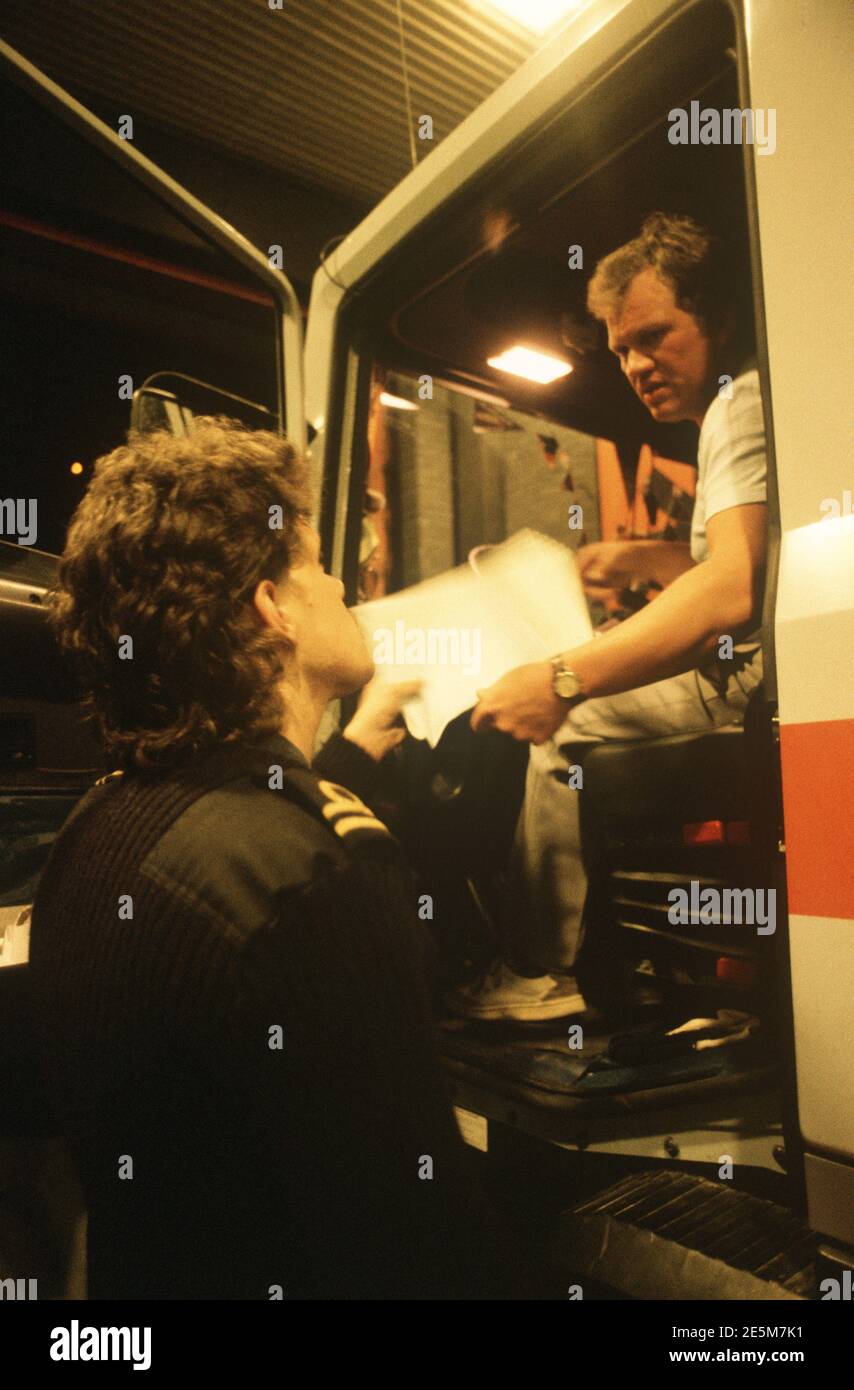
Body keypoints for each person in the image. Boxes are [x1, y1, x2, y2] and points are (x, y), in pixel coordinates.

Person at [28, 419, 521, 1299]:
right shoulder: (320, 879)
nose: (341, 584)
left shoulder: (94, 830)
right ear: (272, 609)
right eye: (320, 562)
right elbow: (421, 1240)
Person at [452, 213, 767, 1022]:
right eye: (622, 347)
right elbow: (747, 564)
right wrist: (633, 559)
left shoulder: (740, 406)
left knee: (558, 730)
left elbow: (731, 596)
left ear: (719, 318)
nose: (635, 364)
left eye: (655, 335)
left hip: (753, 678)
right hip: (755, 663)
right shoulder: (740, 404)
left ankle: (541, 970)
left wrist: (562, 680)